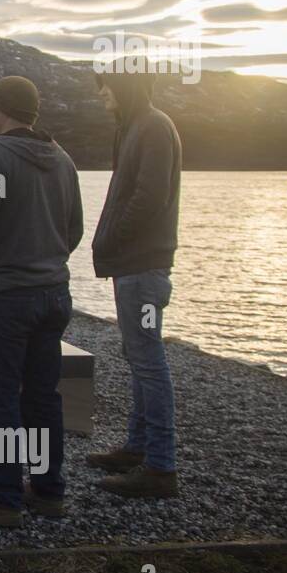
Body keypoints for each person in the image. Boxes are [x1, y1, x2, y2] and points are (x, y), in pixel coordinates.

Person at [0, 75, 84, 527]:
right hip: (54, 294)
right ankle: (48, 491)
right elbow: (74, 228)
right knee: (44, 396)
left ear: (3, 107)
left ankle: (2, 499)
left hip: (5, 297)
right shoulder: (62, 158)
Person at [88, 70, 183, 499]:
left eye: (106, 85)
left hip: (142, 267)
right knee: (138, 354)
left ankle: (161, 468)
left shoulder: (153, 127)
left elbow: (150, 197)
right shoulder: (135, 127)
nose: (102, 93)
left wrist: (112, 237)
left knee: (148, 358)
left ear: (124, 86)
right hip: (132, 265)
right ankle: (137, 448)